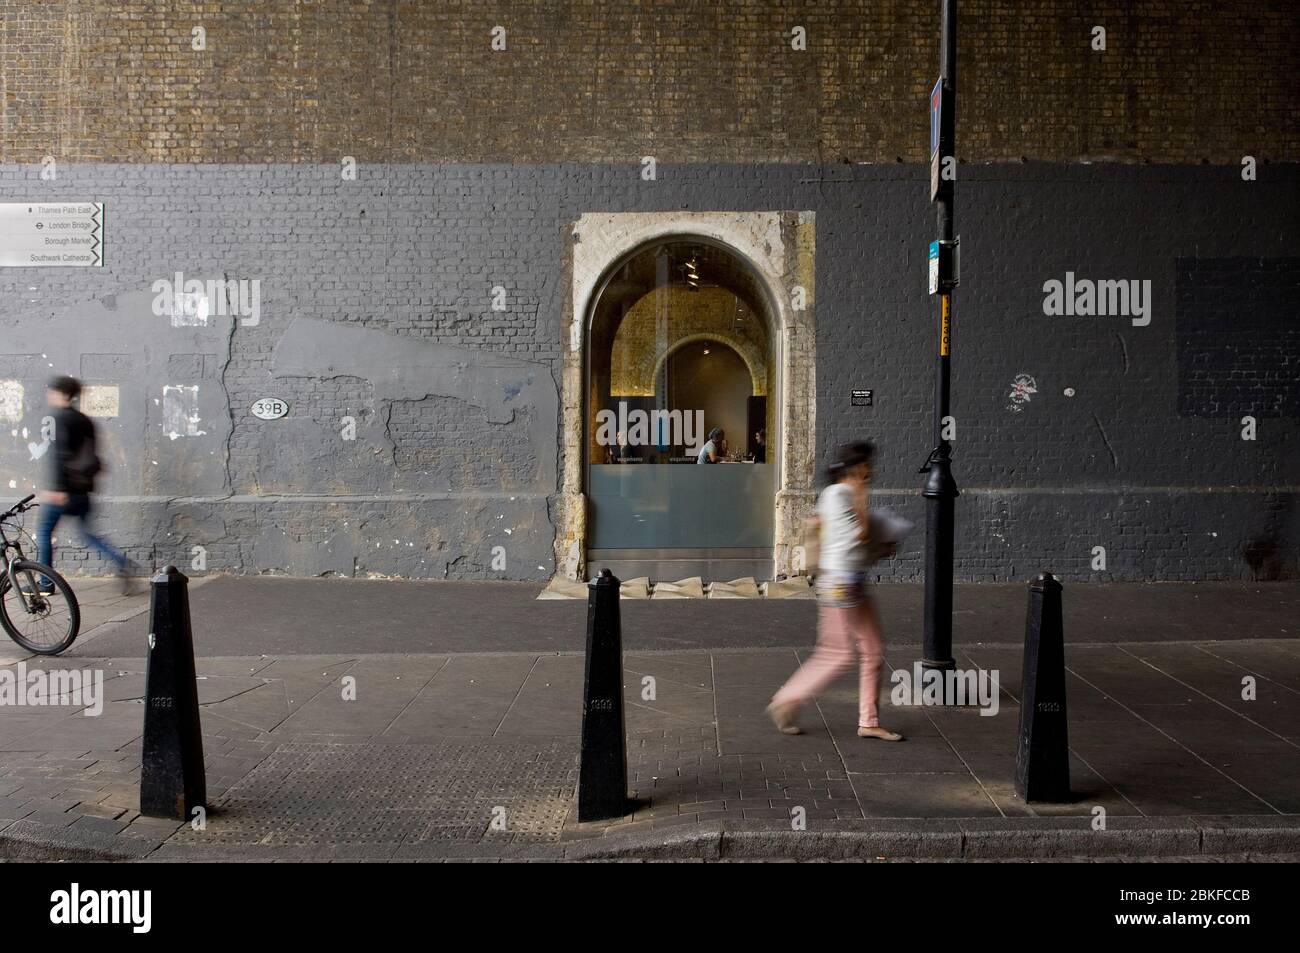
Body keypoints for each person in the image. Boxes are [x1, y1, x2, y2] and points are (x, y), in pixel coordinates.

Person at [767, 440, 904, 741]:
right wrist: (863, 499)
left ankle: (868, 721)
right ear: (858, 466)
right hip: (841, 583)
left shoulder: (836, 495)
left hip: (850, 580)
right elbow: (860, 534)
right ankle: (786, 700)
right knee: (838, 653)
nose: (873, 469)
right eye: (868, 464)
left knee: (873, 649)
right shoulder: (841, 494)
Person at [35, 376, 133, 594]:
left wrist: (57, 489)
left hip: (63, 492)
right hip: (83, 490)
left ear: (60, 393)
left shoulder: (58, 418)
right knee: (87, 534)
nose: (49, 395)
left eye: (52, 391)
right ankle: (120, 561)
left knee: (43, 532)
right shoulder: (85, 420)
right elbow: (93, 455)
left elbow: (59, 455)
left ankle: (45, 583)